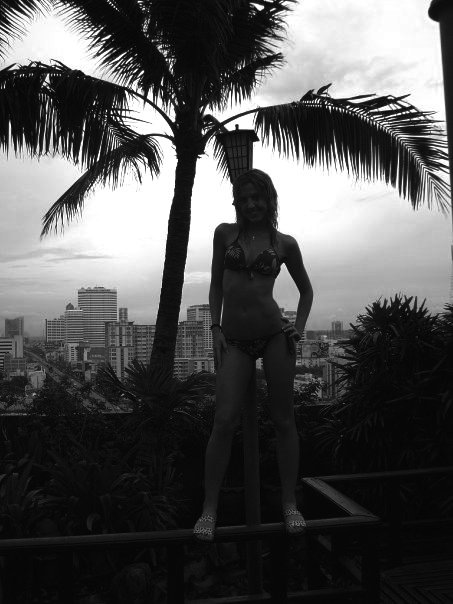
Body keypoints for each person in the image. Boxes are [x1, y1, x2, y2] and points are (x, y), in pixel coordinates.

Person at [193, 169, 313, 542]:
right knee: (224, 421)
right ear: (237, 202)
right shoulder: (224, 234)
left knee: (283, 420)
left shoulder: (285, 244)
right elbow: (216, 285)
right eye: (244, 198)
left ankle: (289, 502)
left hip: (275, 336)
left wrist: (299, 329)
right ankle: (209, 508)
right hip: (234, 340)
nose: (250, 204)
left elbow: (307, 292)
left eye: (257, 197)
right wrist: (215, 328)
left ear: (269, 199)